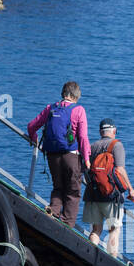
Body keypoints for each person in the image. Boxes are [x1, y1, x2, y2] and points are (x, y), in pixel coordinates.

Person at [26, 81, 90, 226]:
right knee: (73, 191)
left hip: (52, 155)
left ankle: (53, 211)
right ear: (76, 96)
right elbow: (83, 137)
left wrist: (35, 139)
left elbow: (32, 126)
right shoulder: (79, 110)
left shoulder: (51, 108)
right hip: (71, 156)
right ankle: (67, 224)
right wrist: (86, 159)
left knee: (58, 186)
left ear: (64, 94)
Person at [82, 118, 134, 256]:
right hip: (111, 196)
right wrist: (131, 190)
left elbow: (85, 170)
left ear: (101, 132)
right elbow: (119, 170)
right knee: (114, 229)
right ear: (114, 131)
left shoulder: (92, 146)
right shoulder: (116, 145)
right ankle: (111, 261)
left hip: (92, 194)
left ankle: (89, 256)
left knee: (96, 230)